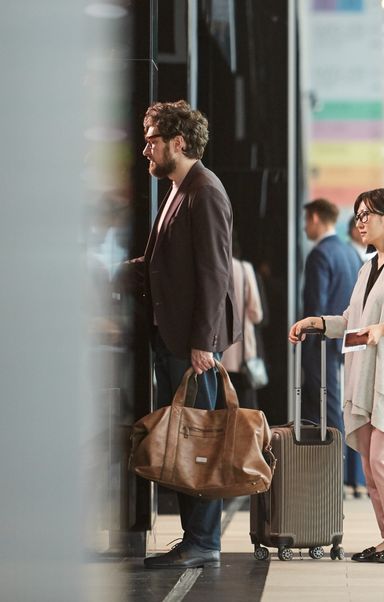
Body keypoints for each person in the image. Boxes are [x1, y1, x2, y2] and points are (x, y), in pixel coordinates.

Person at [289, 188, 384, 564]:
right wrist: (319, 323)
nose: (359, 222)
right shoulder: (368, 265)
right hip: (368, 375)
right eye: (357, 216)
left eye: (365, 215)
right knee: (372, 463)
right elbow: (354, 321)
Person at [126, 100, 239, 569]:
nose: (145, 148)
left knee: (199, 440)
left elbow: (214, 273)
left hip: (190, 345)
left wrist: (203, 343)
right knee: (188, 438)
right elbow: (160, 265)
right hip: (175, 338)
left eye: (151, 138)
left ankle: (203, 541)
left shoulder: (204, 191)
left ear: (178, 142)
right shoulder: (180, 188)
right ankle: (197, 537)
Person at [301, 198, 367, 497]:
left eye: (306, 221)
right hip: (349, 344)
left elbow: (316, 306)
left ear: (315, 218)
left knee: (326, 411)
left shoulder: (320, 255)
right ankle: (354, 477)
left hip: (324, 345)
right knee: (348, 409)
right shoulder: (350, 254)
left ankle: (333, 479)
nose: (305, 227)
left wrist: (309, 339)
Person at [223, 238, 264, 409]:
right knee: (244, 408)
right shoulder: (244, 269)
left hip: (219, 352)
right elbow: (256, 314)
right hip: (242, 353)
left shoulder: (214, 267)